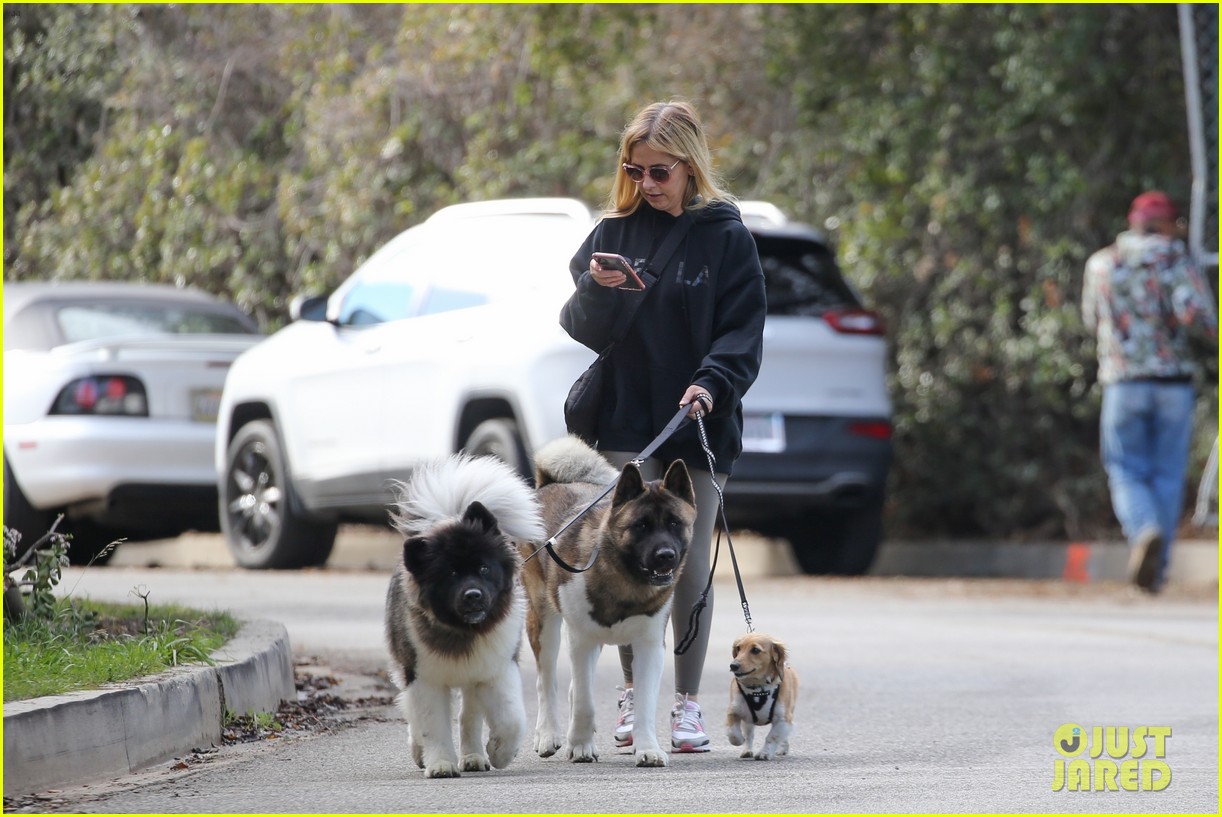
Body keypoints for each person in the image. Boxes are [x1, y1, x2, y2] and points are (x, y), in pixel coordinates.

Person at [559, 99, 767, 752]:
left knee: (688, 565)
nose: (646, 184)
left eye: (659, 173)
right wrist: (597, 289)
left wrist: (711, 382)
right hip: (626, 419)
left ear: (689, 167)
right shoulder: (612, 232)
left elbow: (744, 331)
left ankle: (685, 705)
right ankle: (632, 699)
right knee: (624, 560)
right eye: (635, 170)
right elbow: (581, 328)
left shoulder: (726, 237)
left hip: (699, 424)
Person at [1082, 190, 1217, 593]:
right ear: (1168, 223)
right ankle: (1157, 573)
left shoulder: (1102, 262)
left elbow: (1091, 320)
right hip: (1172, 384)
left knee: (1124, 470)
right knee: (1167, 475)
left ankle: (1143, 531)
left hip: (1123, 385)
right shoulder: (1172, 257)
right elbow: (1194, 314)